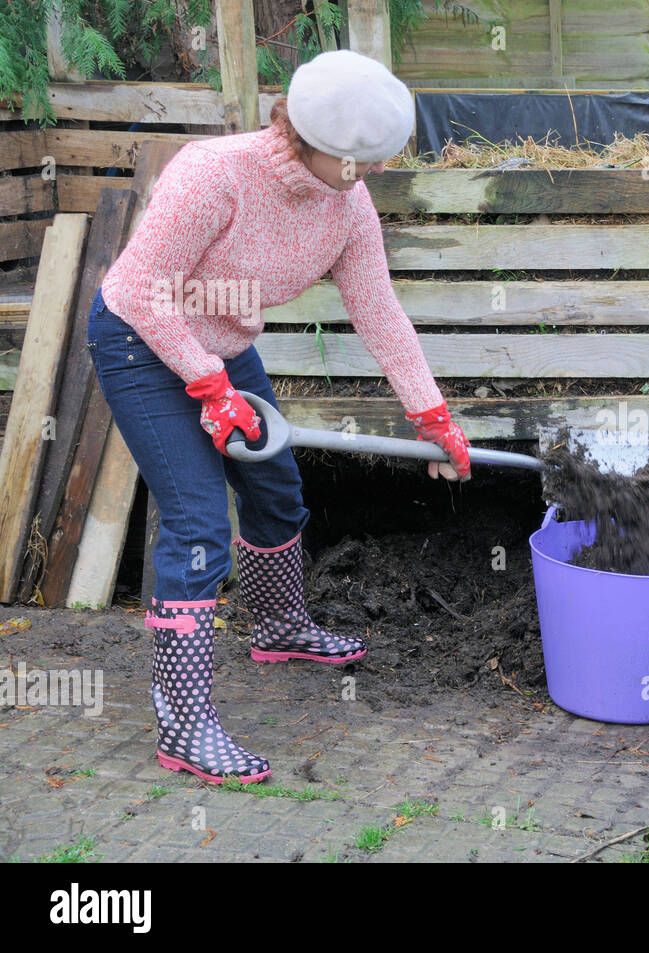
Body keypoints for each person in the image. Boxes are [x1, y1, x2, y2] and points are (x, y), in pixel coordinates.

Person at [88, 50, 469, 785]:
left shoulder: (347, 205)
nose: (368, 176)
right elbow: (137, 291)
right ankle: (184, 723)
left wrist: (432, 413)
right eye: (355, 161)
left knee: (277, 490)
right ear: (302, 135)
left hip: (221, 348)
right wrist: (208, 387)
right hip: (142, 343)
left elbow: (381, 316)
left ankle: (278, 625)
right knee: (198, 523)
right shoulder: (212, 174)